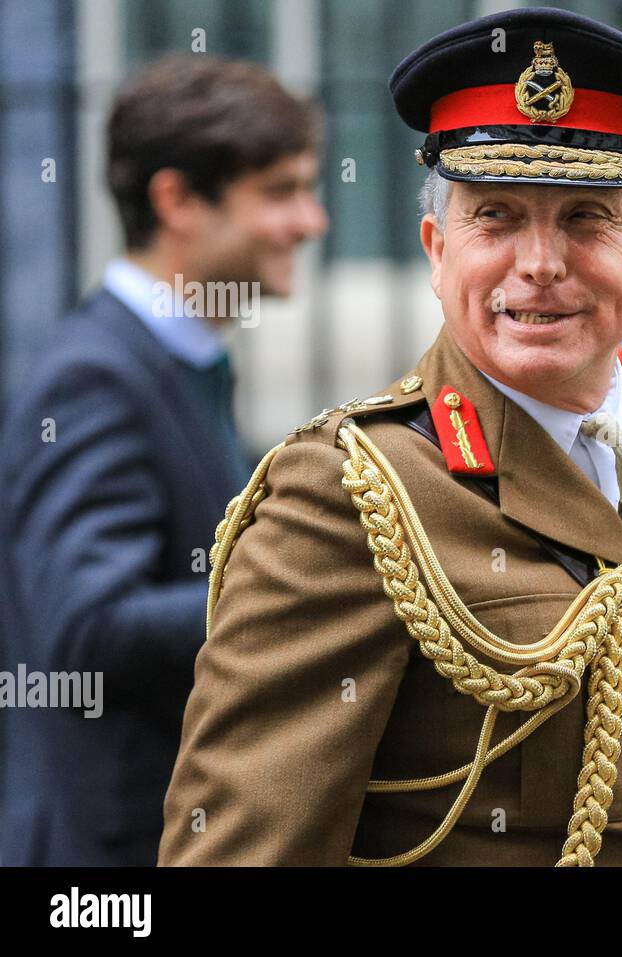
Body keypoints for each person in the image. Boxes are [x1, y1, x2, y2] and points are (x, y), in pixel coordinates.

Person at [159, 8, 622, 867]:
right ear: (437, 249)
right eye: (496, 217)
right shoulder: (348, 499)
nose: (539, 262)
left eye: (586, 218)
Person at [0, 56, 326, 865]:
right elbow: (85, 627)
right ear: (176, 199)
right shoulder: (95, 376)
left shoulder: (180, 359)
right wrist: (307, 591)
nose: (311, 221)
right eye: (280, 191)